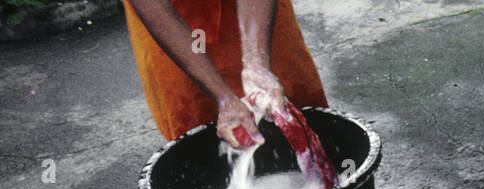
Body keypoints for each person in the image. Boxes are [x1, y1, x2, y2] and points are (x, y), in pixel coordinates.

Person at [123, 0, 329, 148]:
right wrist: (222, 96)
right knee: (196, 121)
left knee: (291, 106)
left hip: (254, 10)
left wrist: (257, 63)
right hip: (172, 19)